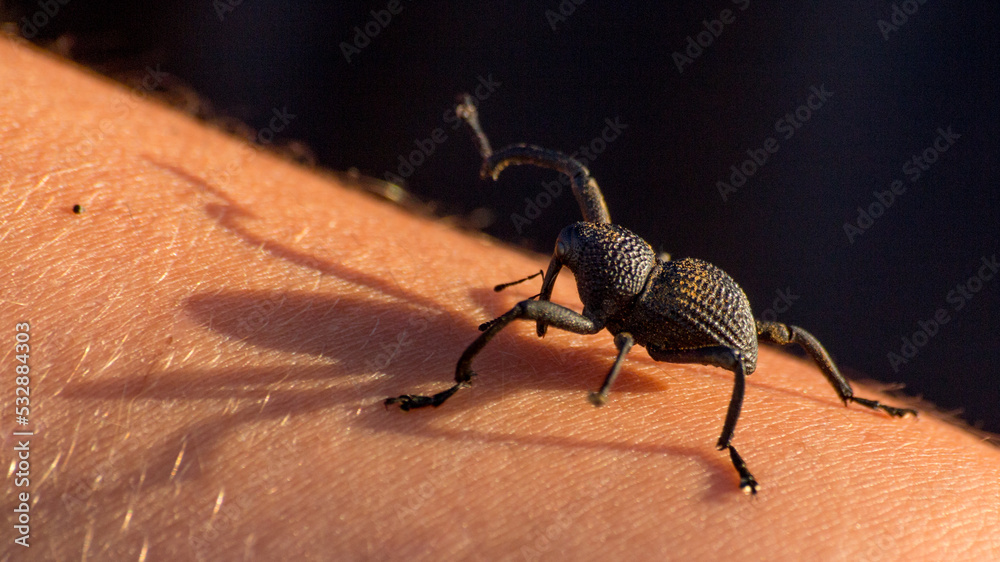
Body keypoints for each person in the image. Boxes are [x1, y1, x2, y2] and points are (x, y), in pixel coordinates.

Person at [2, 35, 998, 560]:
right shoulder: (609, 256)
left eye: (579, 263)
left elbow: (650, 343)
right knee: (554, 249)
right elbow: (572, 181)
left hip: (685, 326)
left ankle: (737, 439)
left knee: (730, 340)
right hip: (652, 295)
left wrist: (613, 365)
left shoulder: (633, 315)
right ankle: (456, 377)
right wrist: (502, 156)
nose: (564, 257)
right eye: (576, 253)